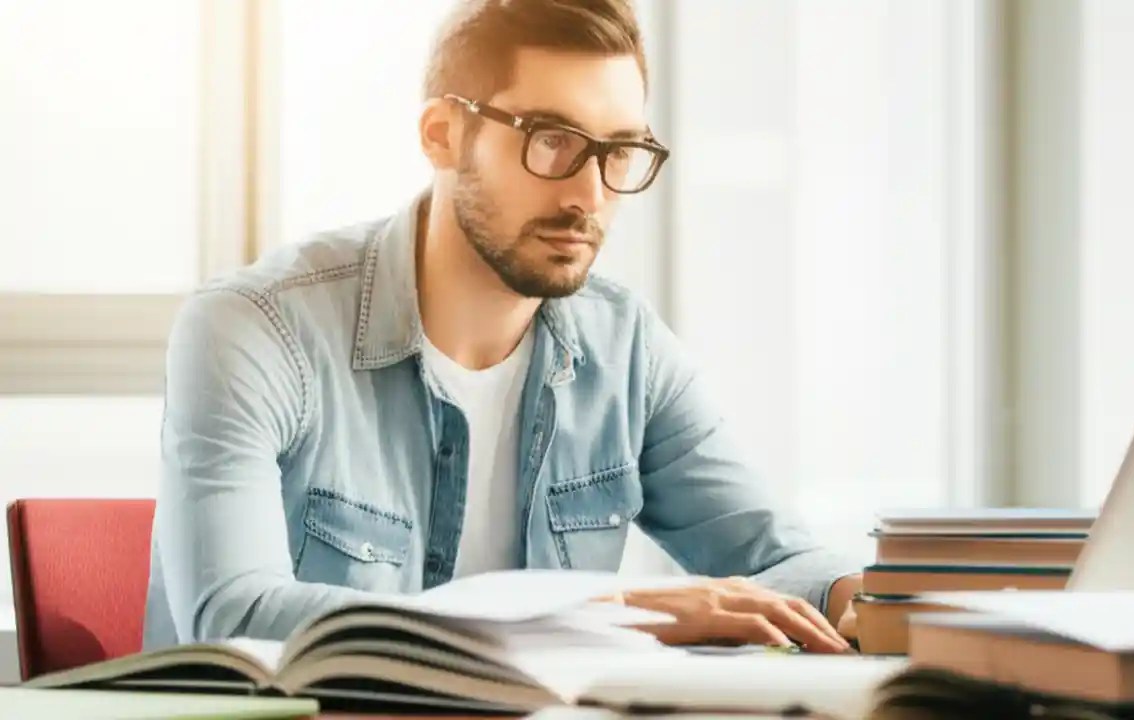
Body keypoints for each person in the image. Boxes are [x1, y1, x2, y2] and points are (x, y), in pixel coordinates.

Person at [143, 0, 861, 653]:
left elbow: (776, 558)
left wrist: (864, 598)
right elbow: (233, 612)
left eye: (619, 152)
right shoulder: (254, 330)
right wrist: (616, 610)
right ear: (441, 135)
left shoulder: (625, 348)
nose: (591, 195)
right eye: (552, 141)